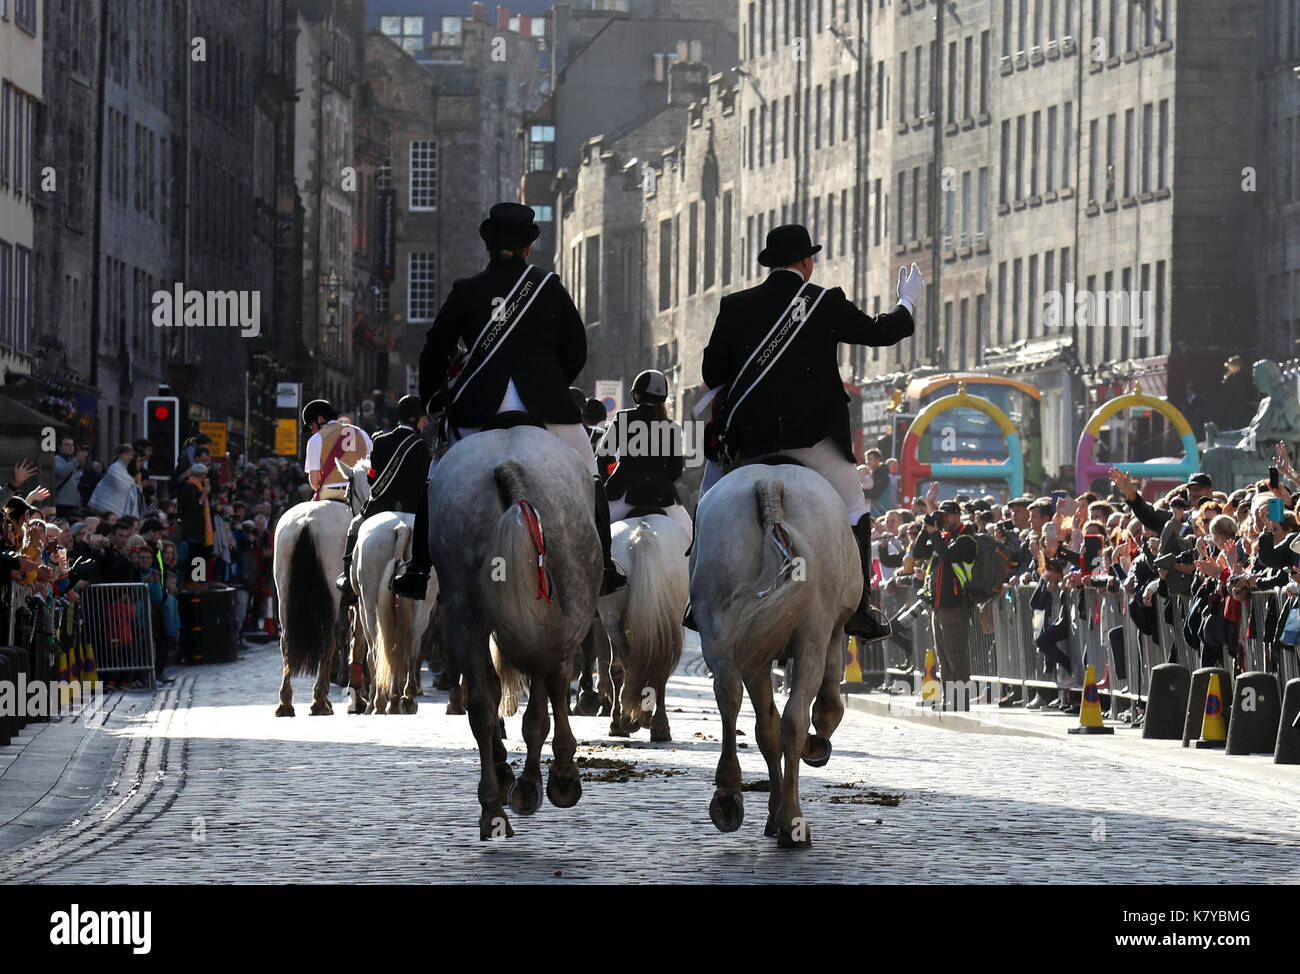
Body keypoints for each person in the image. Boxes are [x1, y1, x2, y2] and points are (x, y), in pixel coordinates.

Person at [698, 223, 921, 639]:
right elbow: (880, 331)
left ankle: (699, 595)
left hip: (749, 441)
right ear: (806, 262)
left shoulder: (736, 305)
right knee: (856, 508)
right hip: (813, 441)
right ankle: (861, 607)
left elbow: (712, 373)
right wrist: (906, 302)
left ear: (771, 263)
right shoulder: (824, 302)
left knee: (708, 502)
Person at [411, 201, 626, 596]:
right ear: (528, 248)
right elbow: (576, 347)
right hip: (543, 406)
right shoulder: (547, 288)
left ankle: (418, 569)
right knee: (590, 473)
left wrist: (434, 401)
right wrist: (550, 381)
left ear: (488, 247)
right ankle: (606, 567)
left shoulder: (467, 290)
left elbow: (433, 349)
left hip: (477, 406)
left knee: (436, 477)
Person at [341, 395, 433, 593]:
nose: (426, 422)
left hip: (378, 509)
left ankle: (347, 579)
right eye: (423, 417)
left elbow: (372, 478)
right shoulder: (422, 447)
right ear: (413, 419)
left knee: (354, 526)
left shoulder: (380, 441)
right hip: (413, 511)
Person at [595, 369, 692, 536]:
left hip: (622, 494)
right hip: (662, 497)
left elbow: (602, 459)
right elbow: (675, 472)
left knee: (593, 537)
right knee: (690, 538)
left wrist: (607, 484)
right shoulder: (673, 428)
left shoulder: (622, 418)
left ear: (637, 396)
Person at [910, 501, 979, 710]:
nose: (944, 520)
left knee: (956, 654)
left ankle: (960, 700)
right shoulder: (944, 538)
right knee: (944, 656)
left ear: (958, 515)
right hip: (939, 605)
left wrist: (934, 534)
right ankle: (951, 699)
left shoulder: (967, 539)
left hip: (955, 605)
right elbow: (919, 553)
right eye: (942, 516)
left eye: (947, 516)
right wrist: (926, 527)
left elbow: (947, 557)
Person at [302, 399, 373, 503]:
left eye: (311, 425)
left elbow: (315, 482)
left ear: (320, 419)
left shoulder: (316, 439)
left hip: (329, 493)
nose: (312, 430)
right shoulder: (362, 434)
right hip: (360, 495)